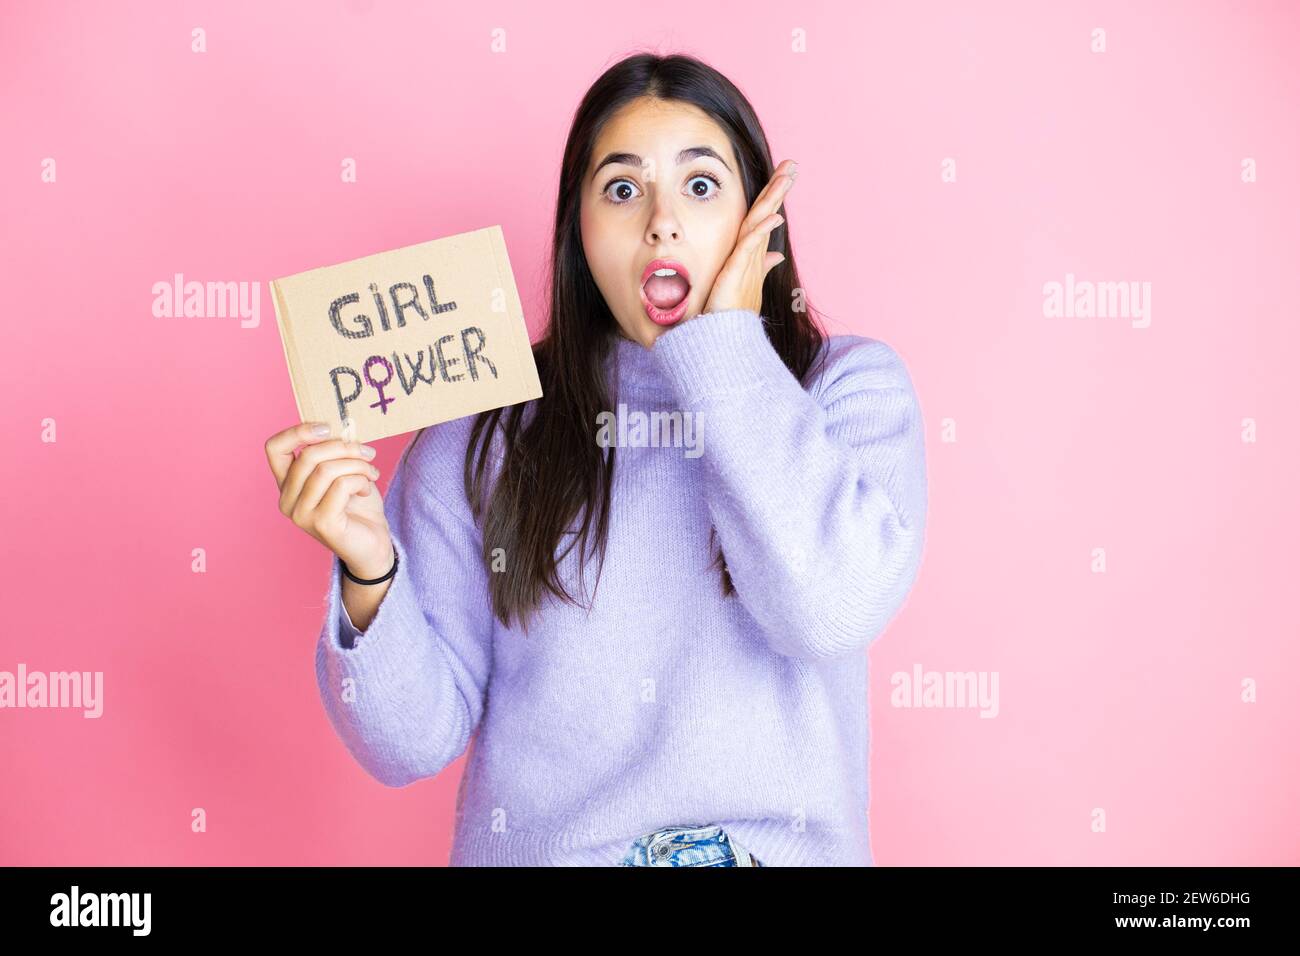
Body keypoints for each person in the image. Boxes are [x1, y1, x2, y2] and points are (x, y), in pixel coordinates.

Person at [264, 52, 928, 866]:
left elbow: (829, 610)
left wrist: (723, 347)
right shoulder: (489, 432)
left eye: (700, 185)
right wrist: (369, 568)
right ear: (577, 230)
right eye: (621, 189)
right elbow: (407, 745)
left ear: (761, 218)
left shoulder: (845, 392)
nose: (661, 221)